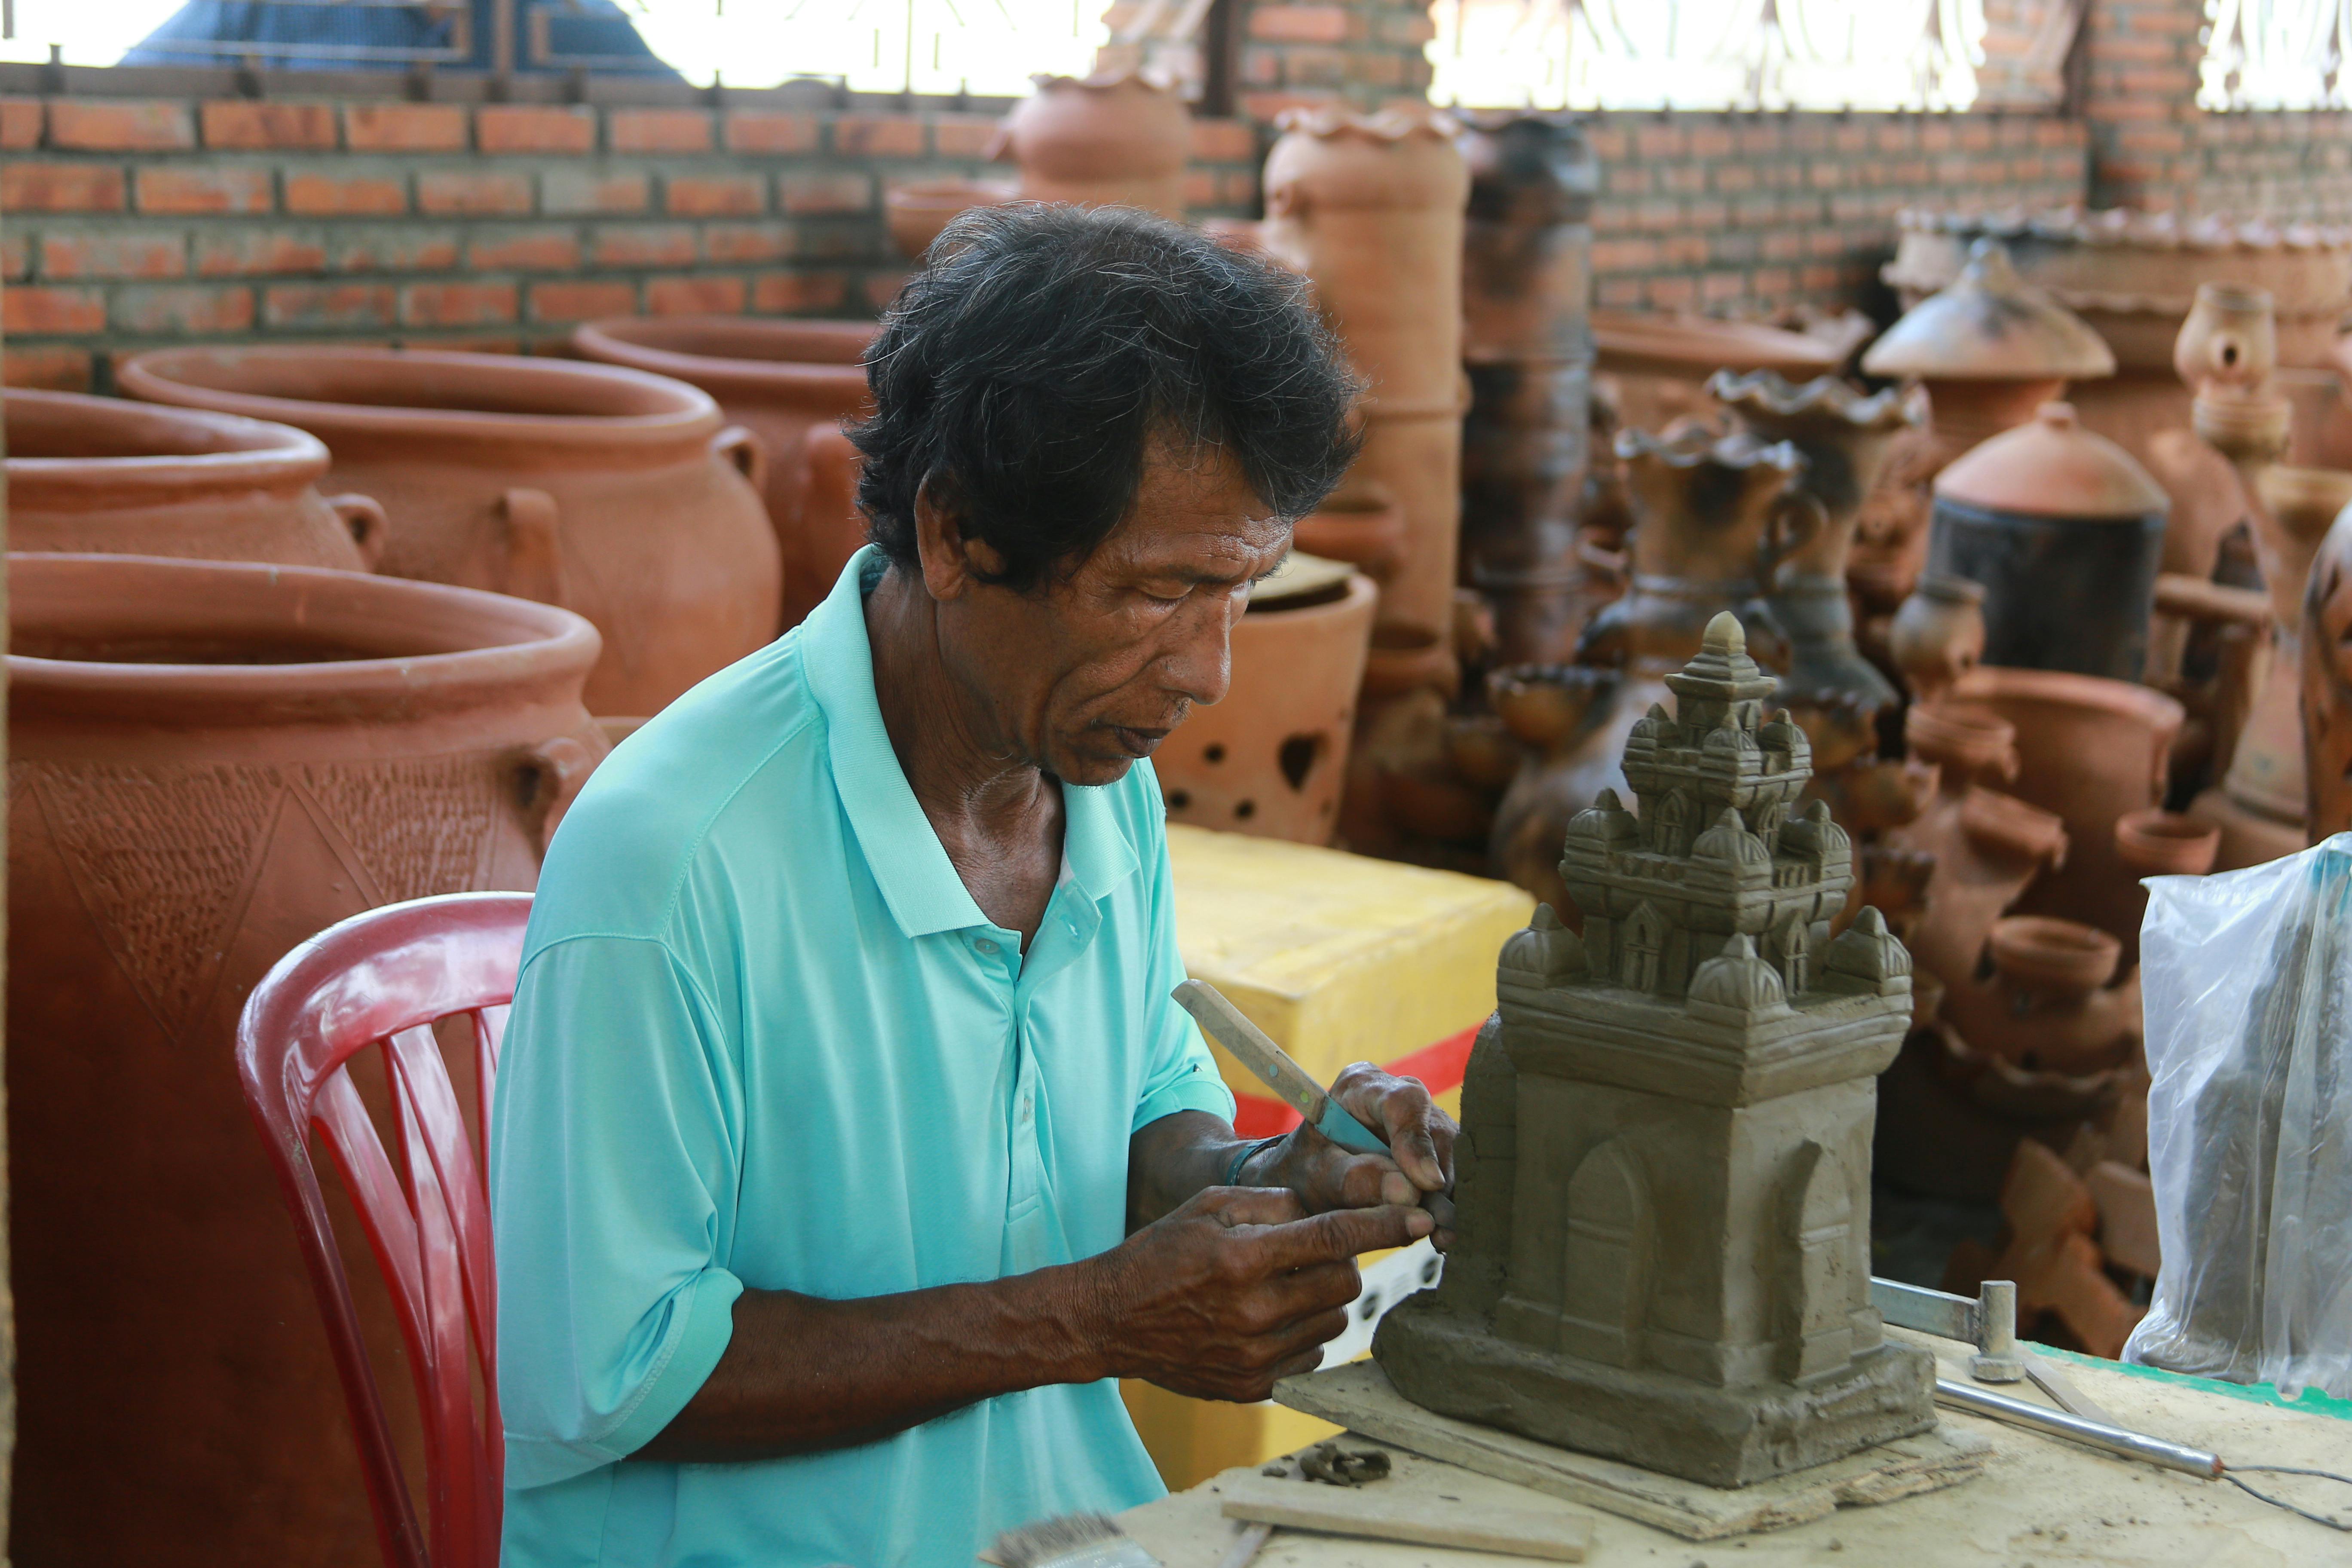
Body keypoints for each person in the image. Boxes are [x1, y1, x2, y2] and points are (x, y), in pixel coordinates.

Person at [490, 204, 1460, 1567]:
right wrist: (1097, 1319)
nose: (1208, 671)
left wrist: (1280, 1177)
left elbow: (1139, 1115)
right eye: (1157, 592)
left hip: (1059, 1534)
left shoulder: (1095, 780)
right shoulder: (677, 855)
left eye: (1238, 590)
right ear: (953, 536)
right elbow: (612, 1369)